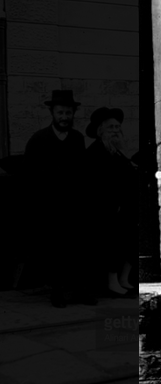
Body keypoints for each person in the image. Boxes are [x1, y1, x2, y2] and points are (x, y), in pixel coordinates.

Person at [24, 90, 91, 307]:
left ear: (73, 114)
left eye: (68, 113)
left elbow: (83, 172)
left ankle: (80, 291)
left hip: (74, 205)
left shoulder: (77, 139)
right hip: (50, 206)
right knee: (55, 251)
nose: (64, 117)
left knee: (78, 249)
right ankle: (58, 292)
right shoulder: (39, 139)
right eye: (60, 112)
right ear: (52, 113)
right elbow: (30, 175)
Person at [84, 107, 138, 297]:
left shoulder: (116, 151)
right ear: (100, 130)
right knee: (113, 245)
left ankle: (124, 279)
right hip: (107, 209)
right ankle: (112, 282)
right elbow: (99, 183)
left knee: (129, 242)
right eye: (110, 127)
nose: (116, 130)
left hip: (124, 207)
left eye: (117, 126)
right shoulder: (96, 152)